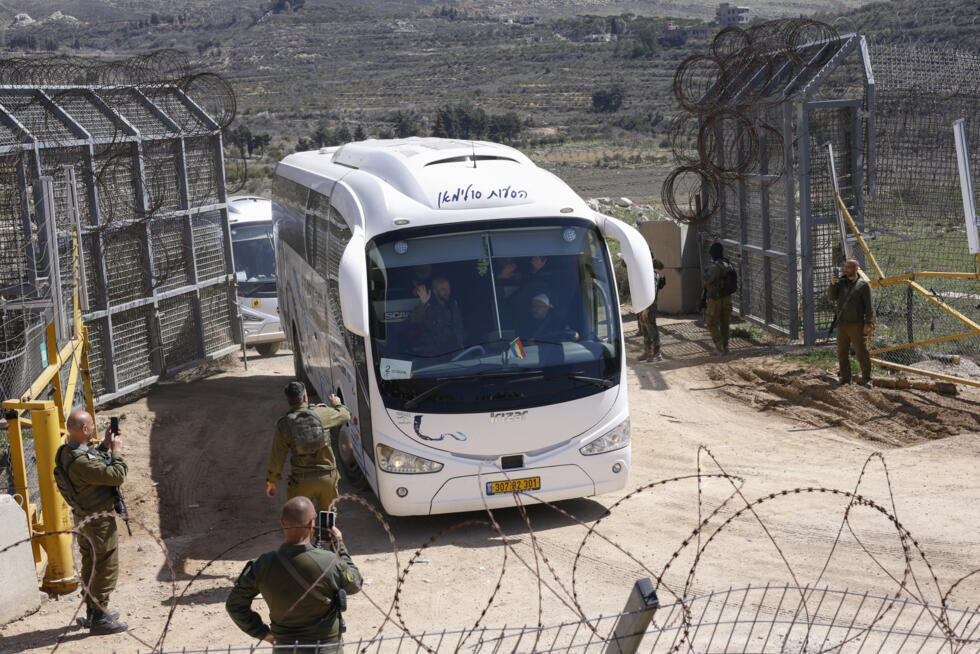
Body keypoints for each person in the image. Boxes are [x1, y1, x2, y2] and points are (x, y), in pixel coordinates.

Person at [226, 496, 362, 652]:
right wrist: (339, 545)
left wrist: (264, 634)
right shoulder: (330, 561)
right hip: (326, 649)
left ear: (282, 523)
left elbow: (234, 606)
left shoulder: (262, 565)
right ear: (312, 524)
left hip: (286, 648)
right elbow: (356, 584)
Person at [55, 411, 129, 635]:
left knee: (91, 563)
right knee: (106, 565)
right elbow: (116, 475)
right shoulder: (81, 463)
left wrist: (105, 446)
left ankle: (92, 610)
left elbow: (92, 462)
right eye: (92, 425)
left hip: (84, 516)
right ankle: (99, 618)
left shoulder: (67, 452)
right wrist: (116, 452)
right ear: (85, 430)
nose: (95, 427)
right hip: (98, 521)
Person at [267, 381, 351, 512]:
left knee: (300, 518)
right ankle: (326, 531)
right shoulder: (321, 413)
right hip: (327, 479)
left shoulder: (284, 424)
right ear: (305, 398)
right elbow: (345, 415)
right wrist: (336, 403)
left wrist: (272, 482)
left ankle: (306, 532)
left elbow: (277, 456)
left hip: (301, 481)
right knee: (327, 516)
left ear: (288, 400)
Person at [828, 258, 875, 387]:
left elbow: (869, 307)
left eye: (849, 267)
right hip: (842, 324)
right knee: (842, 352)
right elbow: (832, 297)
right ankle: (845, 378)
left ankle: (867, 379)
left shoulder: (863, 285)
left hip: (857, 324)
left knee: (861, 353)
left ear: (856, 269)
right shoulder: (841, 282)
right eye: (845, 266)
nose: (846, 269)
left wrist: (868, 323)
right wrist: (832, 284)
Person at [409, 275, 465, 354]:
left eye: (448, 289)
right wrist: (422, 303)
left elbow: (459, 328)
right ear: (435, 291)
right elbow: (414, 320)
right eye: (443, 289)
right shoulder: (428, 307)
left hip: (456, 352)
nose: (447, 292)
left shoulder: (453, 305)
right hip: (435, 356)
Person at [702, 242, 733, 354]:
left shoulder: (715, 267)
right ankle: (725, 347)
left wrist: (706, 272)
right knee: (724, 323)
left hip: (715, 299)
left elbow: (706, 281)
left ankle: (719, 347)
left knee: (711, 323)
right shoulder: (727, 264)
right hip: (727, 298)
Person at [638, 258, 666, 362]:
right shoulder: (648, 274)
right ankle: (648, 352)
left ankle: (657, 353)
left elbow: (651, 293)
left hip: (649, 306)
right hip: (644, 306)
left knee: (652, 329)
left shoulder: (652, 275)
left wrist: (646, 308)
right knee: (645, 328)